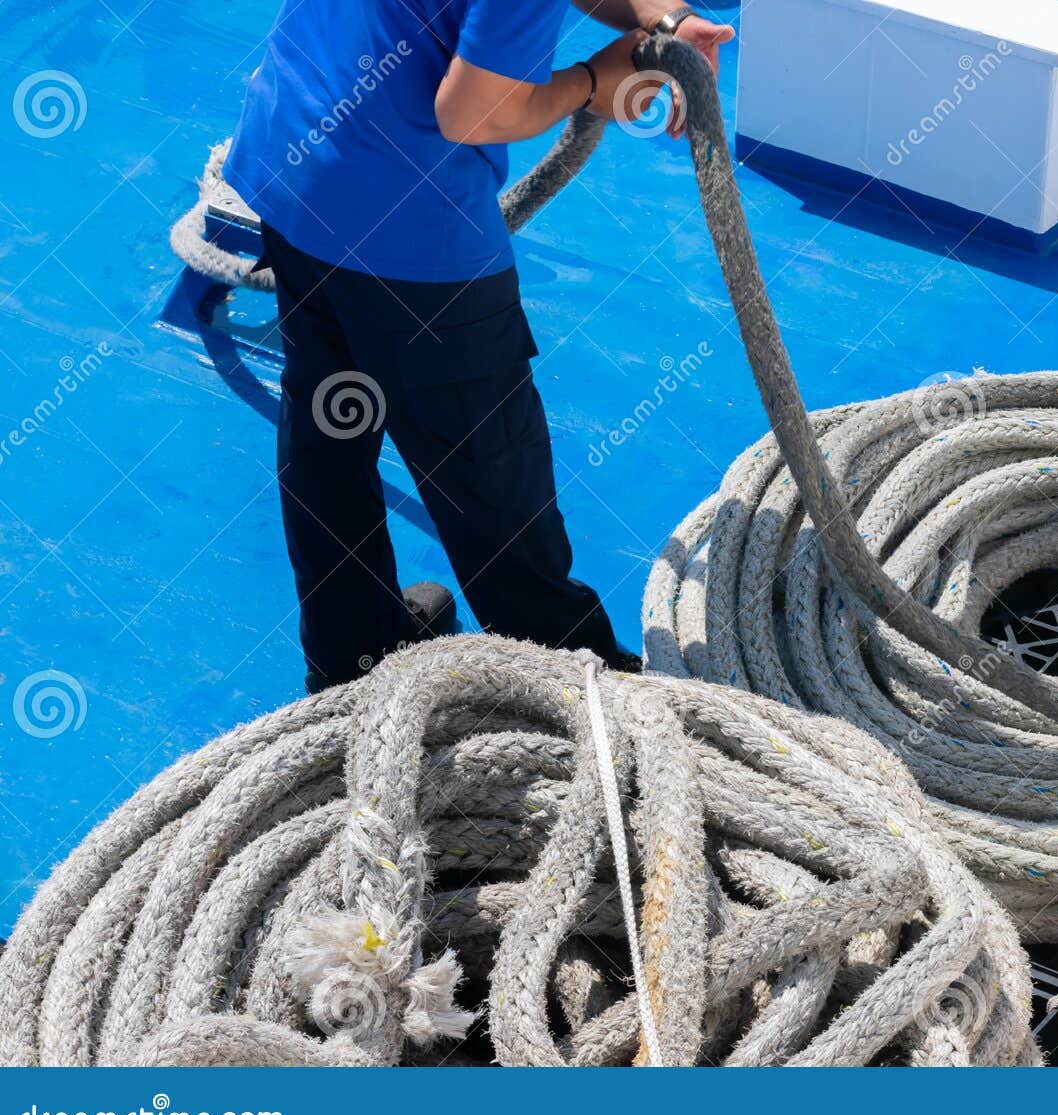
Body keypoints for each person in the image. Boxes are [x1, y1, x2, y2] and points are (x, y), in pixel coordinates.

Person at [222, 2, 734, 692]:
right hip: (409, 237)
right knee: (491, 484)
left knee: (329, 430)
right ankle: (584, 702)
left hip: (298, 160)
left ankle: (351, 659)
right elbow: (473, 114)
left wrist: (662, 18)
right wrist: (593, 79)